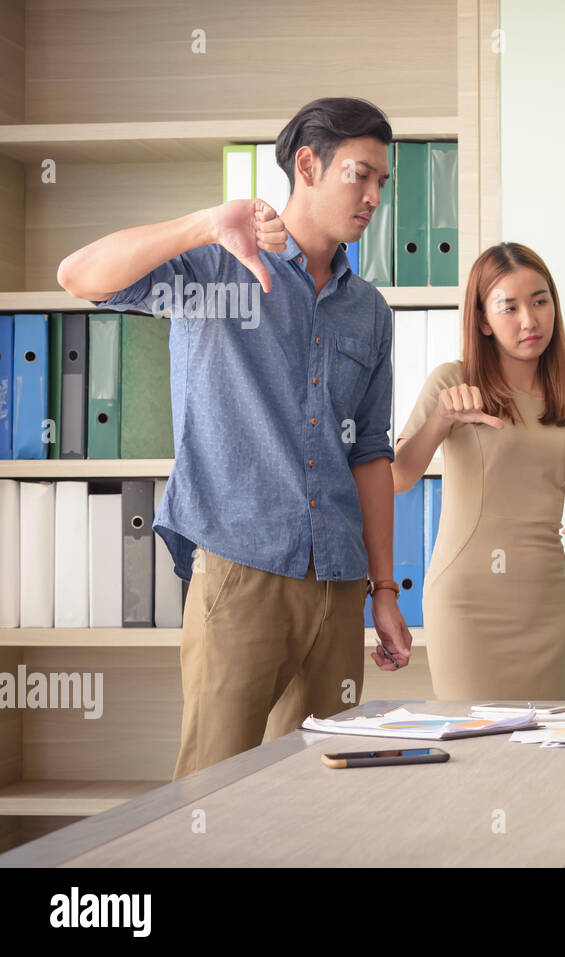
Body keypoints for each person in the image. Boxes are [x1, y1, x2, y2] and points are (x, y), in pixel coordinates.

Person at [56, 96, 414, 779]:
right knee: (213, 790)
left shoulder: (368, 311)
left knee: (320, 791)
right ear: (307, 165)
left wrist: (385, 590)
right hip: (240, 572)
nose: (372, 196)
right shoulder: (215, 268)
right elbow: (78, 276)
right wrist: (200, 225)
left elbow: (370, 453)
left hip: (338, 584)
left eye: (381, 184)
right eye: (360, 175)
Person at [392, 242, 565, 700]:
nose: (529, 320)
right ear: (483, 320)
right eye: (509, 307)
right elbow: (398, 476)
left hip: (545, 602)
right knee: (474, 752)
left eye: (540, 301)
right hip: (467, 602)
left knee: (542, 753)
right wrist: (442, 420)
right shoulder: (453, 381)